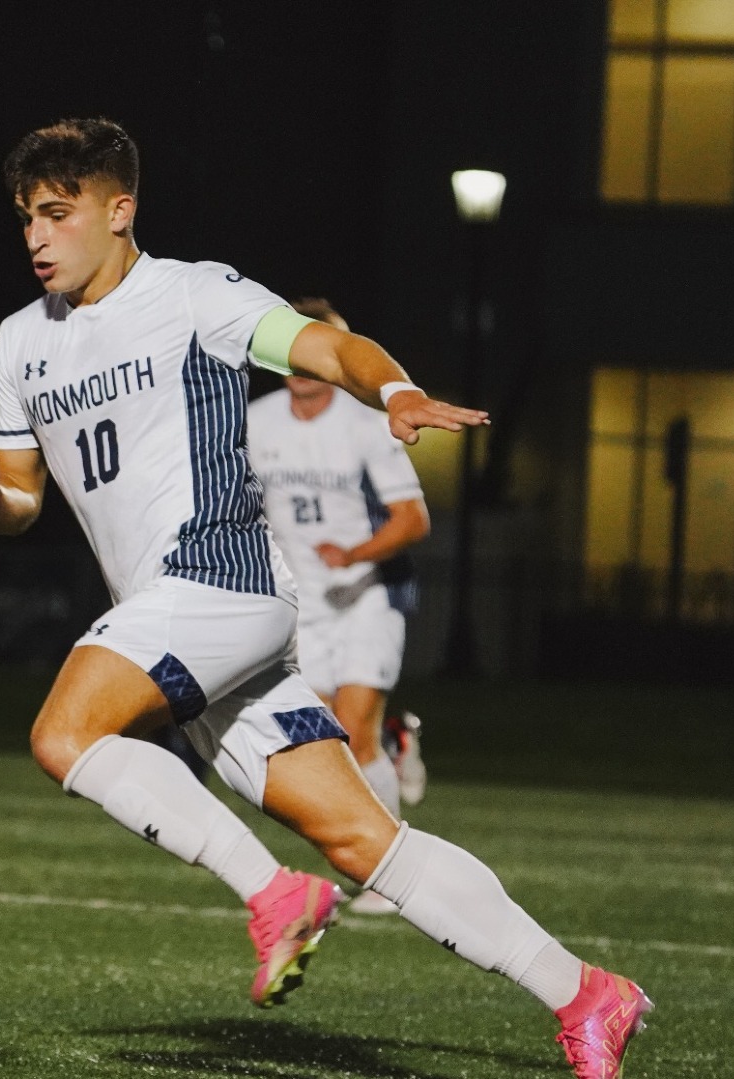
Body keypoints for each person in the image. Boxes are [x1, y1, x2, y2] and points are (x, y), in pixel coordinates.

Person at [0, 118, 649, 1079]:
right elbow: (22, 501)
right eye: (26, 216)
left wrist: (393, 391)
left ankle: (276, 893)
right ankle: (586, 993)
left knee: (63, 733)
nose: (36, 236)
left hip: (218, 577)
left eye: (58, 213)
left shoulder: (194, 294)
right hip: (178, 618)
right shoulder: (20, 340)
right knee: (365, 841)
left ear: (119, 210)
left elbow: (327, 349)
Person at [246, 297, 430, 914]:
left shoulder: (364, 422)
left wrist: (354, 555)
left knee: (352, 732)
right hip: (303, 603)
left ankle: (388, 876)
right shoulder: (256, 421)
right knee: (329, 742)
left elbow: (412, 519)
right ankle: (396, 745)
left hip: (368, 593)